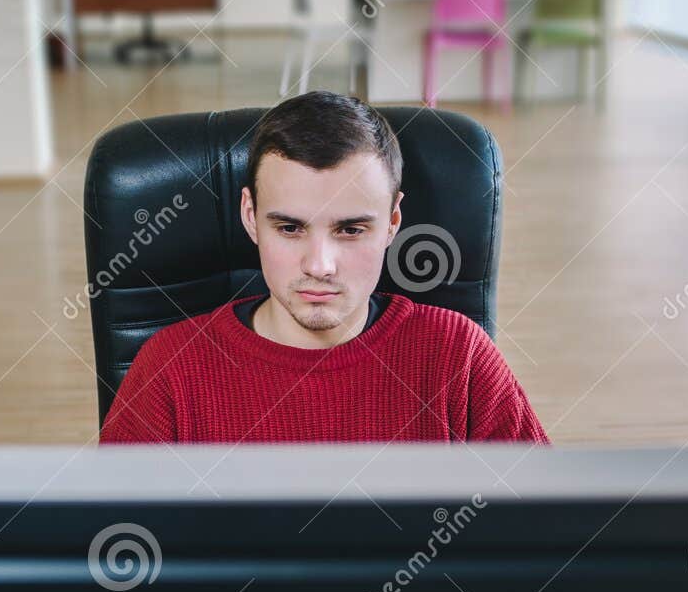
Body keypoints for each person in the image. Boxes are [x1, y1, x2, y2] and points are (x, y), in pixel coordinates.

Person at [99, 91, 549, 445]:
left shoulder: (460, 356)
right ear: (251, 216)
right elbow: (112, 545)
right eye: (290, 228)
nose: (319, 265)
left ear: (393, 221)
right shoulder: (168, 370)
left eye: (351, 230)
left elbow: (545, 533)